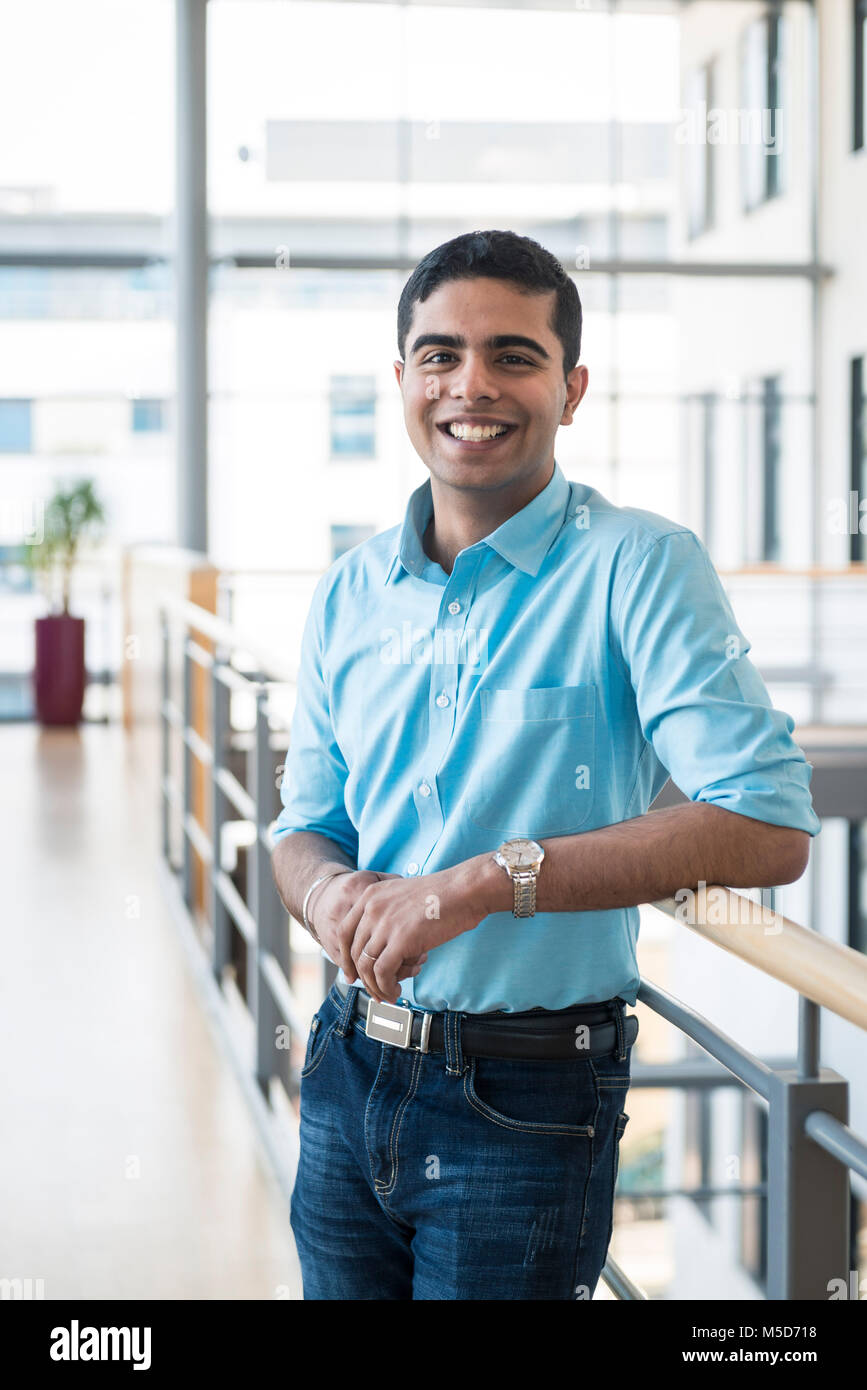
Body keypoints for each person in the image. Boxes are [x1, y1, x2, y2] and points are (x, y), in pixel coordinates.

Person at [271, 228, 820, 1300]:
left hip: (524, 1097)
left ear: (570, 389)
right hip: (346, 1066)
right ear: (401, 380)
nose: (470, 384)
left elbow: (767, 823)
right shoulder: (349, 591)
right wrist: (327, 889)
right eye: (439, 355)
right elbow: (305, 823)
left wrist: (479, 884)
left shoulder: (639, 565)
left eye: (511, 355)